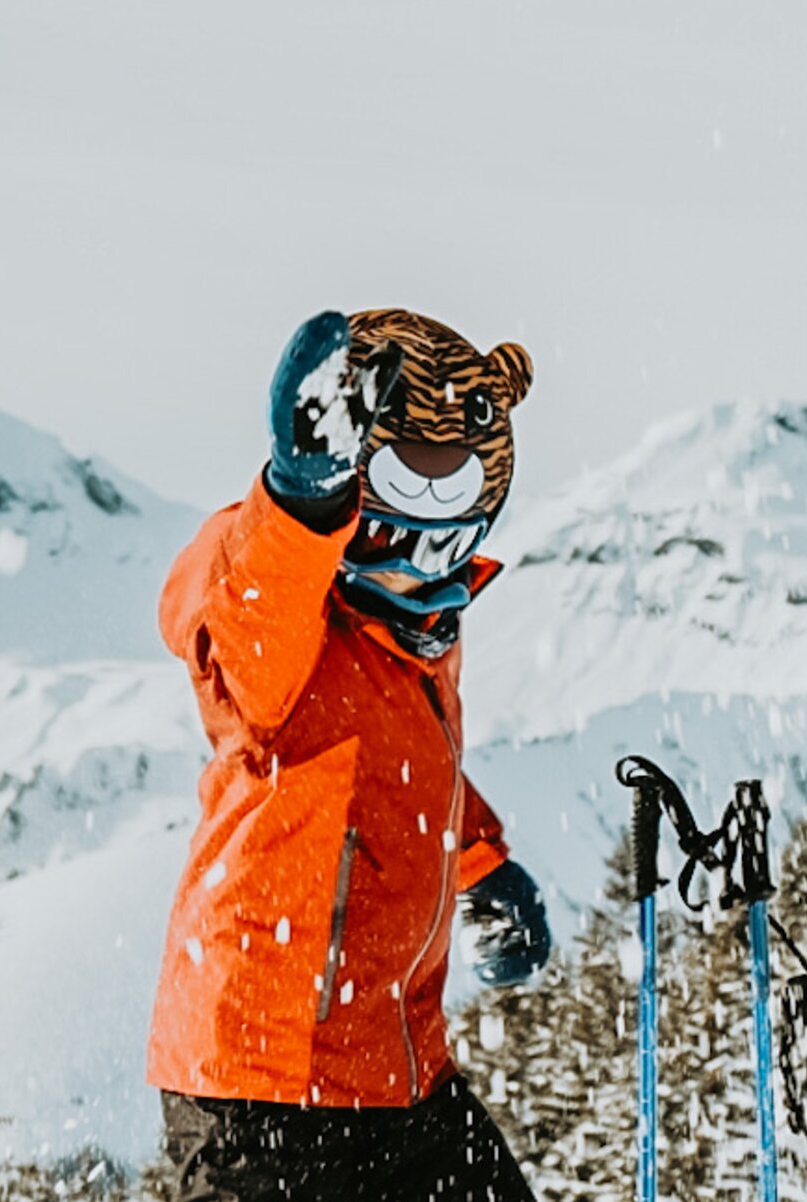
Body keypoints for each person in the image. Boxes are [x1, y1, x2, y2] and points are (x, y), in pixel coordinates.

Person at [150, 309, 557, 1202]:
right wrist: (301, 503)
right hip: (269, 1093)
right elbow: (244, 629)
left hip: (397, 1074)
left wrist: (480, 865)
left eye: (456, 483)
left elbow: (398, 764)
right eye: (415, 472)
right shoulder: (286, 604)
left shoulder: (418, 622)